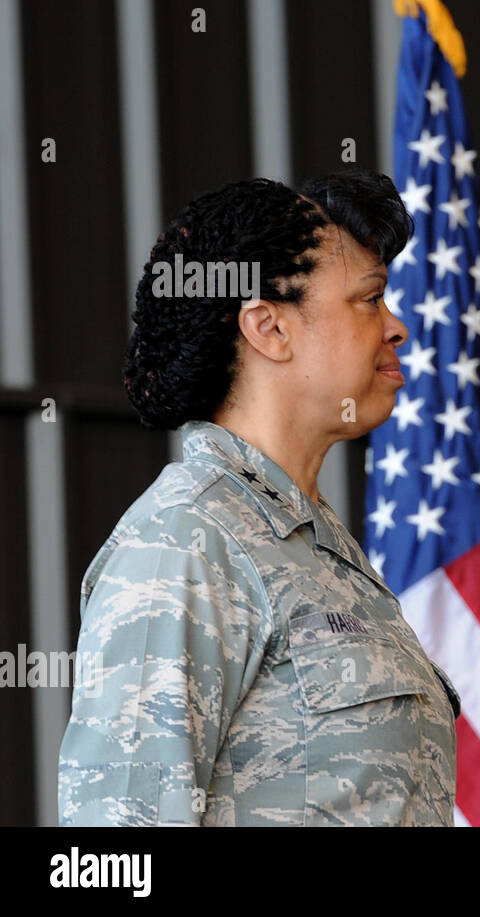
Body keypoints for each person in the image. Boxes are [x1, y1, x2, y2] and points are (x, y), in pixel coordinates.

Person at [57, 171, 459, 826]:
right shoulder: (185, 541)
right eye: (370, 299)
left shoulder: (311, 540)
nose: (397, 327)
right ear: (268, 327)